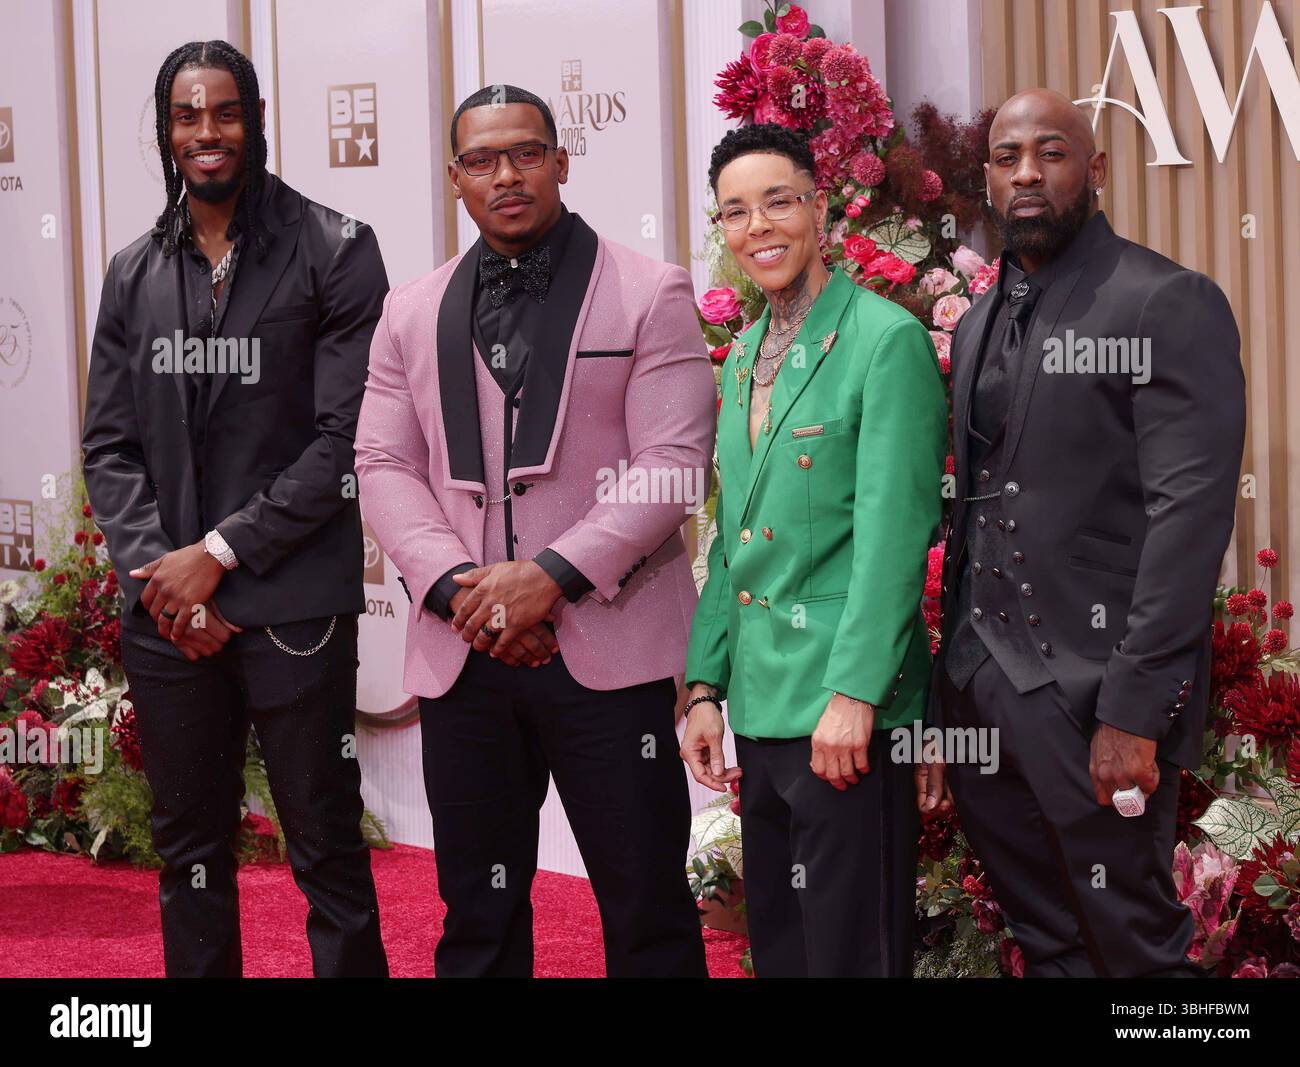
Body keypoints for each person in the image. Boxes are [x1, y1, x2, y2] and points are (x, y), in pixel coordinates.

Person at [353, 85, 714, 977]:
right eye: (482, 159)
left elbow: (672, 462)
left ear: (561, 159)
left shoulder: (648, 290)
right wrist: (458, 590)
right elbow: (382, 465)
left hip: (609, 648)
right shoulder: (409, 309)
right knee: (476, 918)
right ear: (455, 178)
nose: (505, 175)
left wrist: (548, 575)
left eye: (525, 153)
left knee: (649, 915)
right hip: (464, 650)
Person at [918, 88, 1246, 977]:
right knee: (1048, 940)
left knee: (1139, 948)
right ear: (986, 177)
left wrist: (1134, 712)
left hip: (1095, 695)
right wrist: (949, 695)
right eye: (1007, 155)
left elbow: (1190, 520)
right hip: (980, 687)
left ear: (1094, 169)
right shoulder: (979, 317)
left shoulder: (1166, 301)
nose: (1027, 171)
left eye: (1052, 152)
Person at [81, 40, 389, 978]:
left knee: (325, 844)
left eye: (224, 113)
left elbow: (343, 440)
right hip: (168, 613)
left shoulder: (335, 248)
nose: (206, 133)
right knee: (191, 853)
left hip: (290, 597)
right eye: (186, 115)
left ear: (257, 118)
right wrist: (166, 577)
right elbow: (108, 444)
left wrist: (218, 552)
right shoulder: (134, 272)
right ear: (166, 131)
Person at [680, 124, 947, 977]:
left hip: (845, 715)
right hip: (759, 710)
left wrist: (856, 694)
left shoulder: (883, 341)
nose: (757, 226)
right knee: (785, 954)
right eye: (735, 211)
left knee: (852, 957)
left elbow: (894, 540)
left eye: (778, 202)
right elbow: (733, 536)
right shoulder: (743, 355)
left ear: (820, 209)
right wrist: (703, 684)